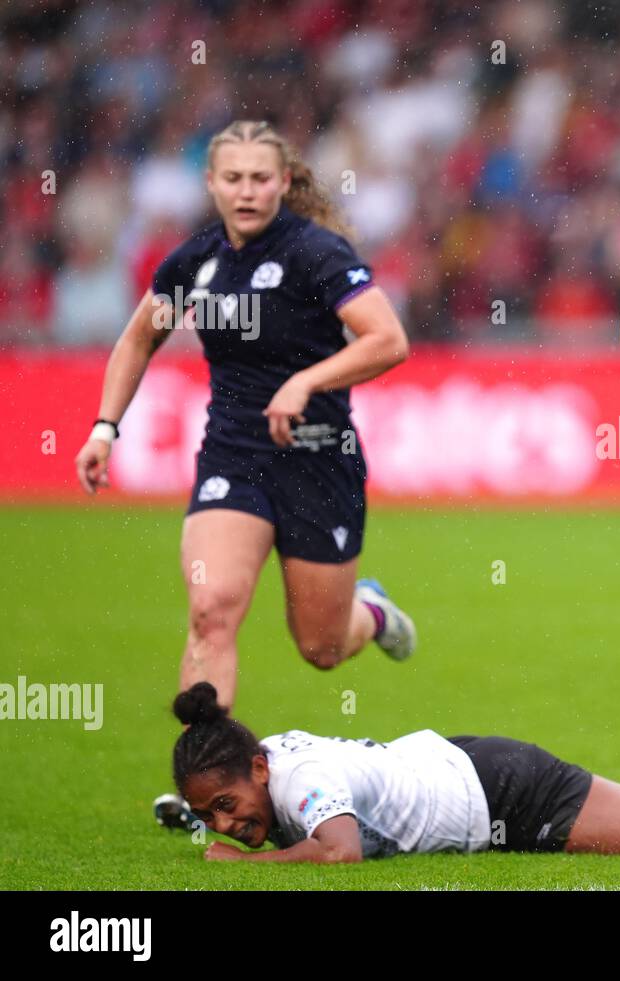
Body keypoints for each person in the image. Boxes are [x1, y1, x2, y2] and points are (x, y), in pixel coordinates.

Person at [72, 120, 418, 826]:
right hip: (233, 457)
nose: (247, 191)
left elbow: (389, 339)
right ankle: (208, 789)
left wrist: (306, 382)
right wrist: (106, 426)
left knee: (321, 646)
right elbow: (140, 335)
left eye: (261, 178)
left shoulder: (317, 253)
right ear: (212, 183)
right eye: (233, 178)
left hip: (320, 458)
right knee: (211, 608)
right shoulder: (192, 263)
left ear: (284, 182)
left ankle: (371, 612)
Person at [167, 679, 620, 862]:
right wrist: (203, 820)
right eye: (209, 816)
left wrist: (245, 863)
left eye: (226, 804)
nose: (228, 823)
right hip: (454, 765)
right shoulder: (265, 761)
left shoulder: (298, 776)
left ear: (260, 766)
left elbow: (339, 853)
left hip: (505, 790)